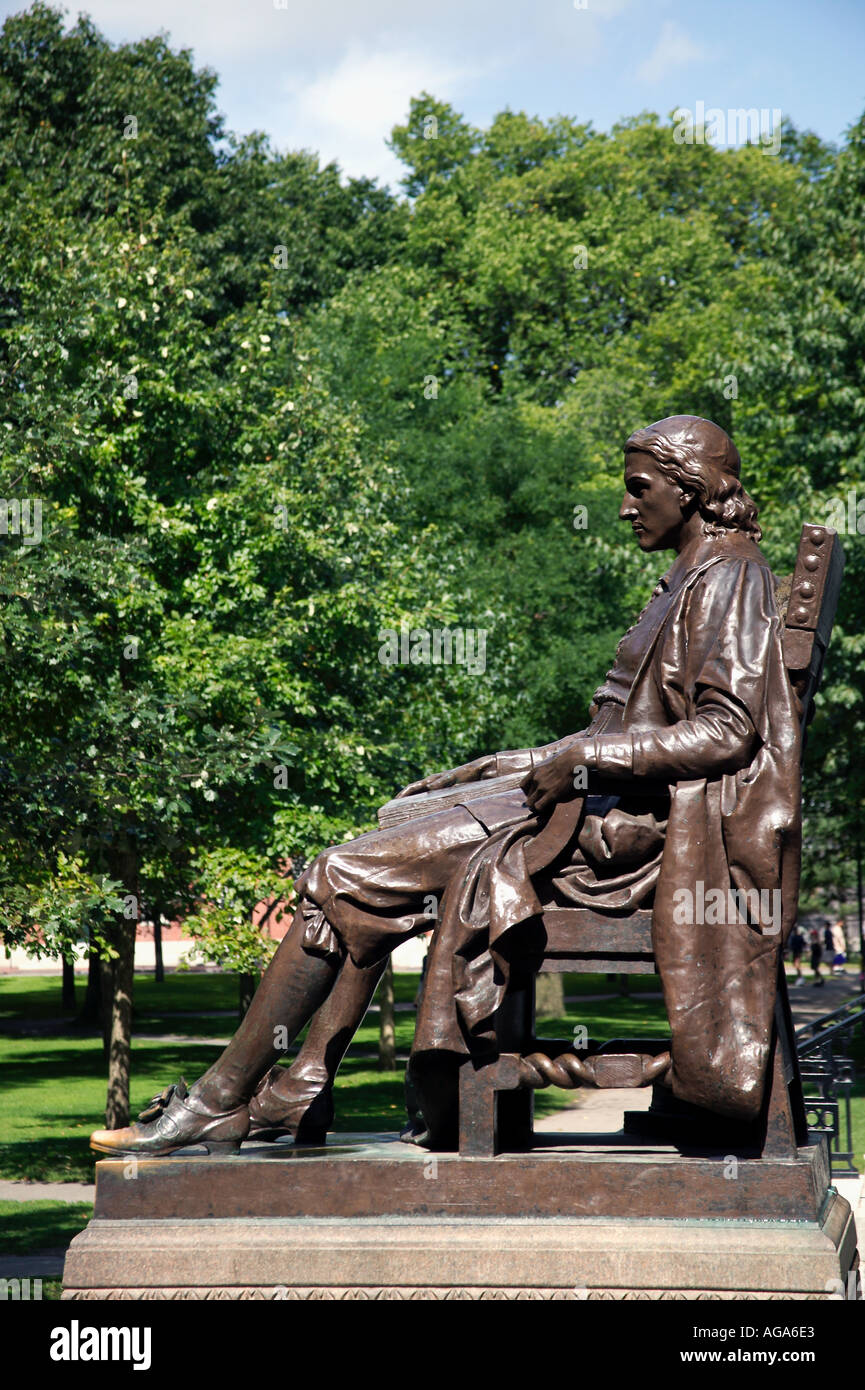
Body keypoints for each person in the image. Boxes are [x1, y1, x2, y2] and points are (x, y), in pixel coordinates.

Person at [90, 415, 802, 1157]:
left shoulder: (726, 576)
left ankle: (223, 1100)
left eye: (637, 489)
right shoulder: (699, 571)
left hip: (621, 839)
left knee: (342, 872)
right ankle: (292, 1091)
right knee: (396, 822)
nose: (625, 507)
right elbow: (628, 722)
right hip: (593, 807)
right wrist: (515, 760)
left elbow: (727, 731)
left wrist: (583, 761)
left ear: (690, 488)